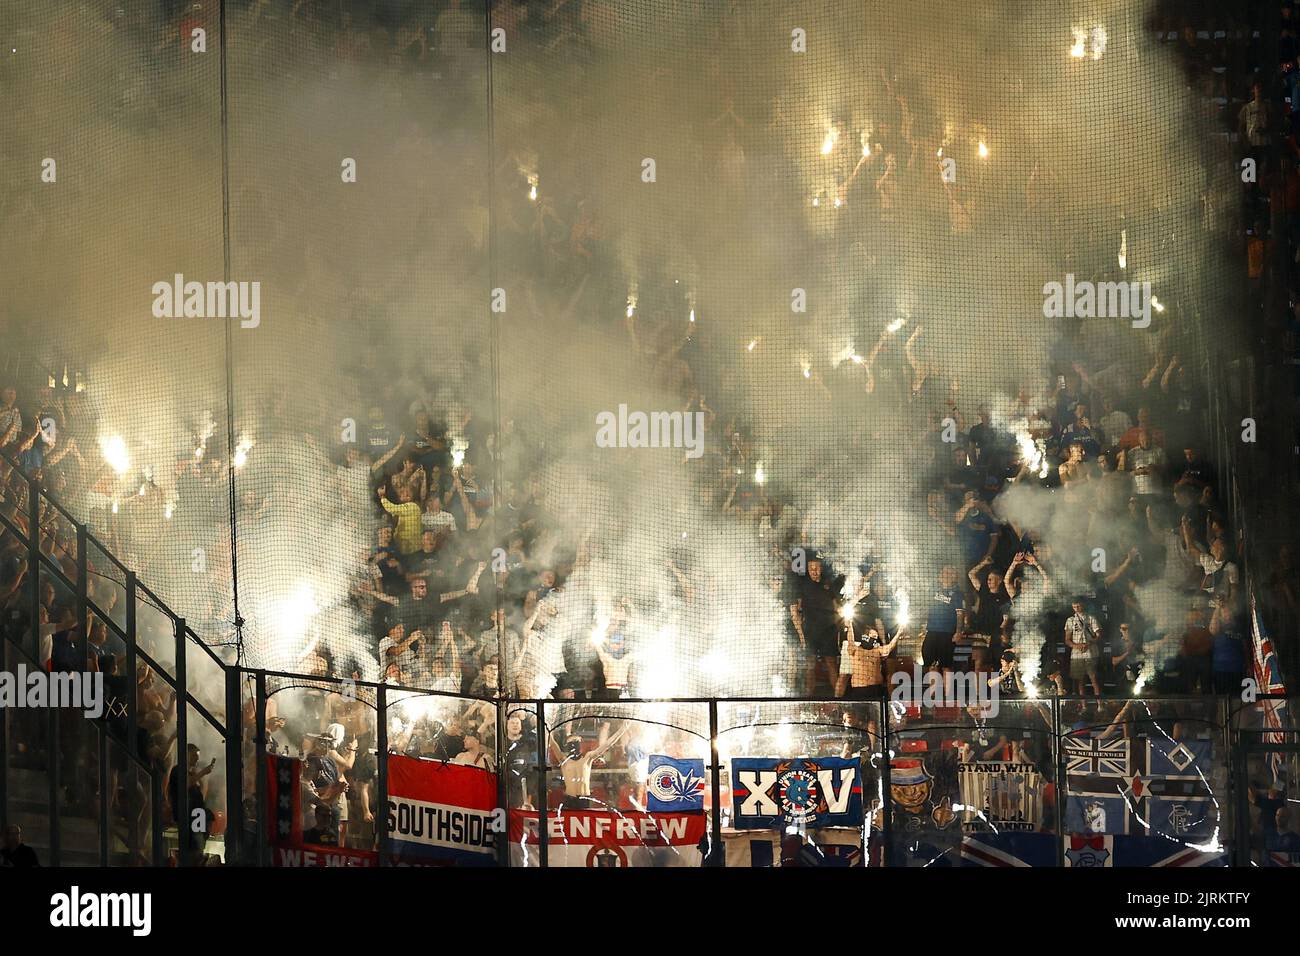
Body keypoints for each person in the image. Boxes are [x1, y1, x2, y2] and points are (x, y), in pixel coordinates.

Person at [920, 565, 966, 674]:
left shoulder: (957, 593)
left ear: (953, 576)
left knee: (946, 664)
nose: (943, 574)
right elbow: (927, 607)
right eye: (943, 571)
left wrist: (958, 632)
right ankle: (934, 690)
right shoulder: (933, 589)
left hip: (947, 633)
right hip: (932, 631)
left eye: (948, 572)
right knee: (929, 662)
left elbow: (960, 614)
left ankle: (947, 691)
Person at [1064, 597, 1102, 697]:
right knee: (1080, 681)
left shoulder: (1091, 618)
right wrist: (1077, 646)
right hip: (1077, 654)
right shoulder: (1070, 620)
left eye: (1078, 605)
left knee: (1093, 678)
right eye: (1074, 606)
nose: (1076, 608)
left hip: (1091, 652)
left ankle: (1099, 704)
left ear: (1082, 605)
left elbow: (1098, 636)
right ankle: (1083, 705)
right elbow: (1067, 640)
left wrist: (1089, 643)